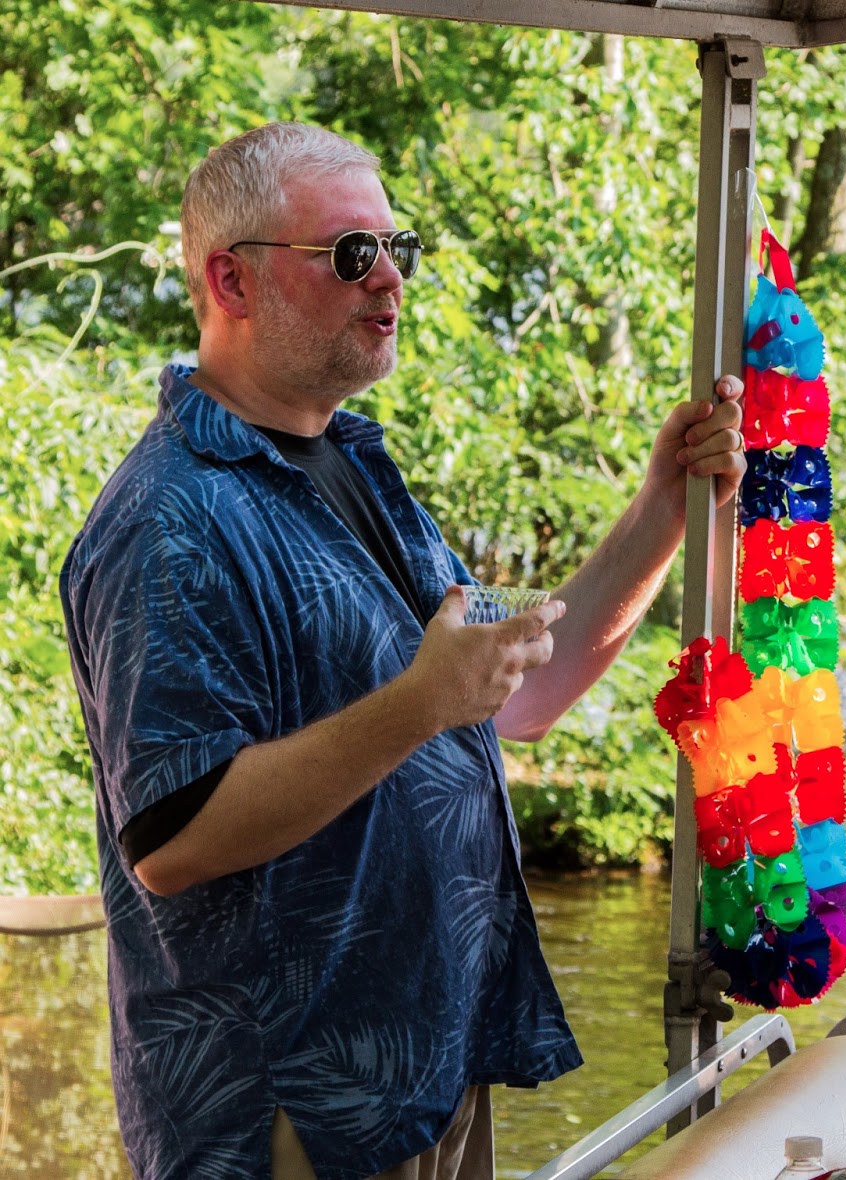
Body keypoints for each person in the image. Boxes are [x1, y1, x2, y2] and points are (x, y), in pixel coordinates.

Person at [59, 122, 746, 1180]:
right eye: (349, 254)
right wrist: (418, 705)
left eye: (396, 248)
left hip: (426, 1072)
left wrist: (660, 509)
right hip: (289, 1116)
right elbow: (172, 838)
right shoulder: (168, 520)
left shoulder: (350, 460)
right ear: (229, 281)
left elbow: (513, 691)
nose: (389, 281)